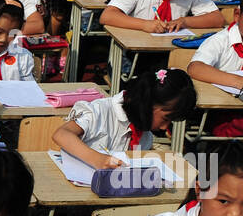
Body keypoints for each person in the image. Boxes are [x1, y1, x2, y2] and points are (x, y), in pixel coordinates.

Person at [52, 68, 196, 168]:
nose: (165, 127)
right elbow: (62, 134)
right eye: (166, 119)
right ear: (148, 103)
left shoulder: (145, 135)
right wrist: (98, 160)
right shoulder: (100, 111)